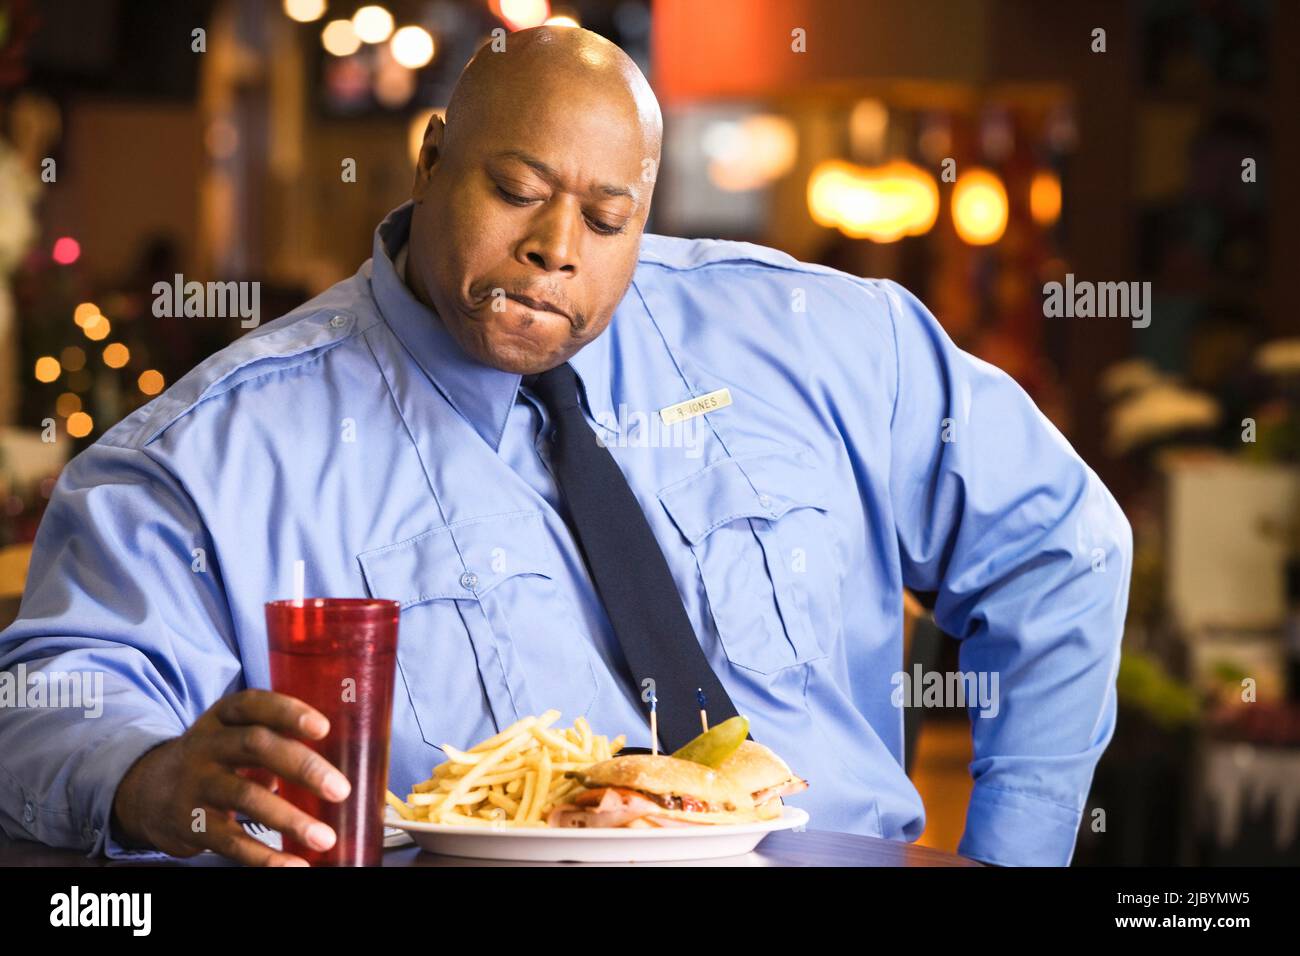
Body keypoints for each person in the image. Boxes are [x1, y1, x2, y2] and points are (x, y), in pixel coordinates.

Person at [0, 26, 1130, 867]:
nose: (554, 250)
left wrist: (1013, 859)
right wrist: (146, 778)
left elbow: (1061, 547)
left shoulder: (827, 344)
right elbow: (51, 694)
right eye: (515, 191)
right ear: (431, 157)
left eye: (605, 219)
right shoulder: (209, 455)